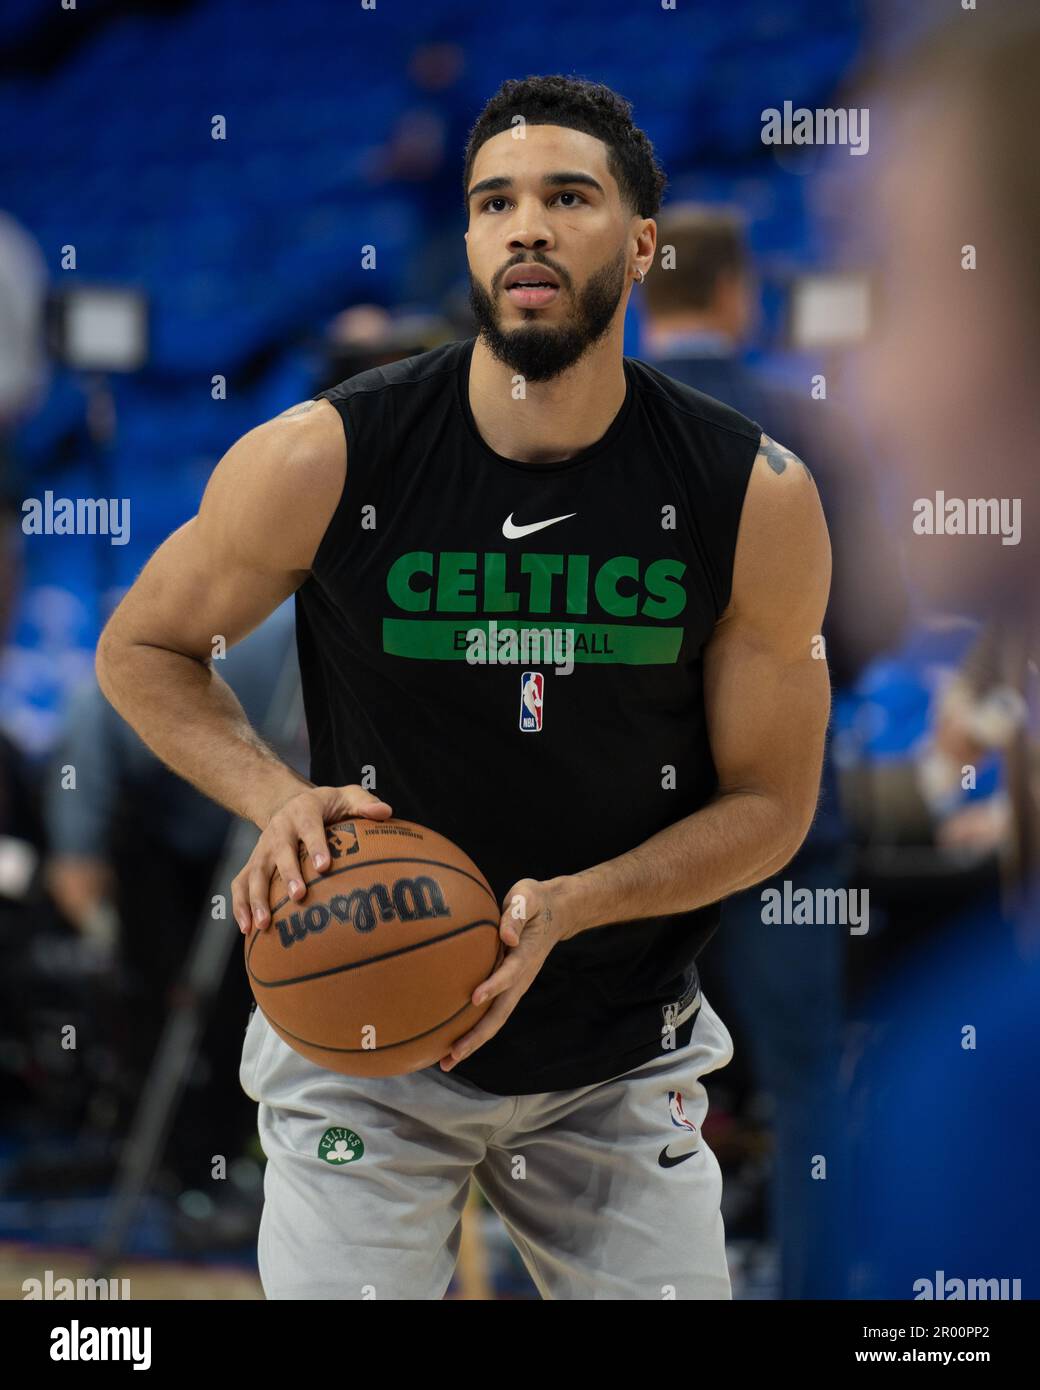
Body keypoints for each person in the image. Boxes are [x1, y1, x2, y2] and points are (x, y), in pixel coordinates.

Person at [95, 74, 831, 1300]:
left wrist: (572, 907)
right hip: (358, 1044)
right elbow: (142, 647)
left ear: (643, 243)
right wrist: (276, 796)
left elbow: (770, 806)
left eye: (566, 197)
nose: (525, 226)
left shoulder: (748, 495)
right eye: (494, 201)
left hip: (614, 1043)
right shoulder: (325, 455)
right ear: (473, 240)